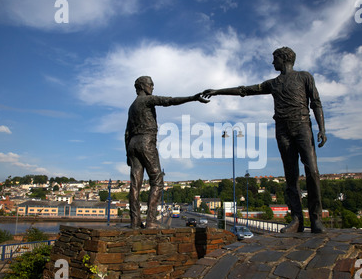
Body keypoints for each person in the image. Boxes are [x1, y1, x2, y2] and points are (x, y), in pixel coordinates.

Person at [203, 47, 327, 233]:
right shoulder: (273, 83)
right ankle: (297, 220)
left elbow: (316, 102)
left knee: (313, 171)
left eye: (274, 59)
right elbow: (245, 90)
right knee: (291, 176)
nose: (272, 63)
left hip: (302, 126)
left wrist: (322, 129)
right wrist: (218, 91)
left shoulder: (304, 77)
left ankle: (316, 219)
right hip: (282, 129)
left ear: (284, 59)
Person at [125, 76, 209, 229]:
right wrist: (192, 98)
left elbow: (127, 132)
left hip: (132, 144)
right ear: (143, 86)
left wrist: (127, 154)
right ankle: (151, 220)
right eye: (151, 84)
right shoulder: (146, 100)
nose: (152, 87)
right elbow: (169, 101)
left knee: (135, 184)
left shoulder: (132, 107)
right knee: (157, 180)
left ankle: (135, 221)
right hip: (146, 142)